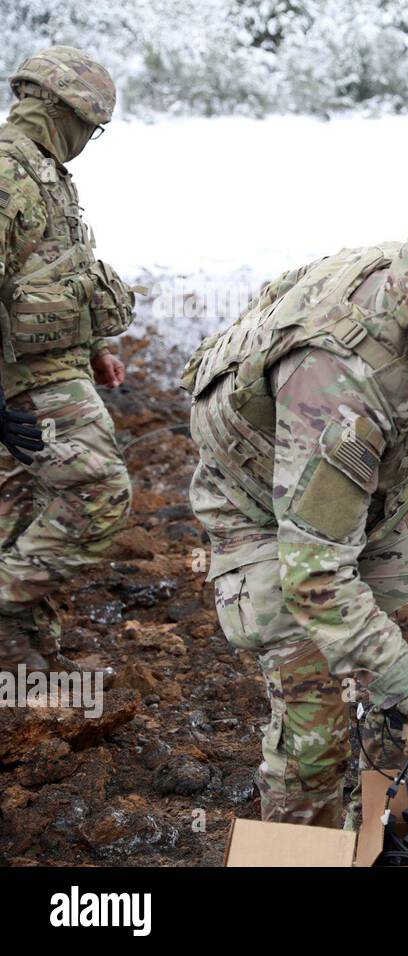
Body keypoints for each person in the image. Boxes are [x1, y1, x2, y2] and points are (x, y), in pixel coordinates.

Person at [182, 217, 408, 827]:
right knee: (316, 722)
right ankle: (303, 849)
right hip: (263, 508)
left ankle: (393, 836)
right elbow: (317, 578)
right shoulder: (335, 387)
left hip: (371, 500)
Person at [0, 47, 135, 672]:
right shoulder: (6, 172)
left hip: (56, 366)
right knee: (99, 494)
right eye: (90, 125)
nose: (89, 139)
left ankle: (15, 645)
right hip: (24, 380)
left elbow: (61, 268)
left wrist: (98, 347)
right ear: (59, 108)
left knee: (23, 504)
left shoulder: (45, 172)